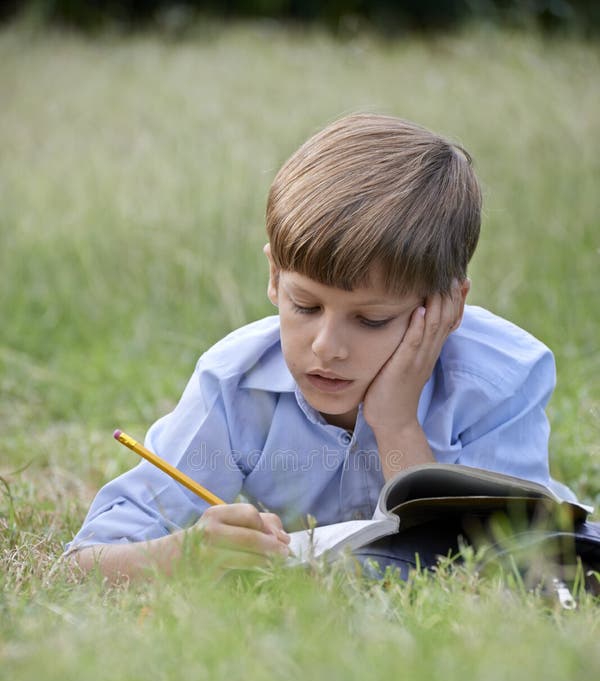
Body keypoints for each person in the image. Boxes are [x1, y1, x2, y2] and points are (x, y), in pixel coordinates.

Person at [66, 113, 575, 580]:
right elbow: (83, 564)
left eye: (371, 319)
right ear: (274, 276)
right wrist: (186, 553)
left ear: (447, 306)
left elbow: (504, 569)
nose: (327, 347)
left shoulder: (501, 379)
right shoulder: (238, 383)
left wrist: (396, 421)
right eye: (305, 307)